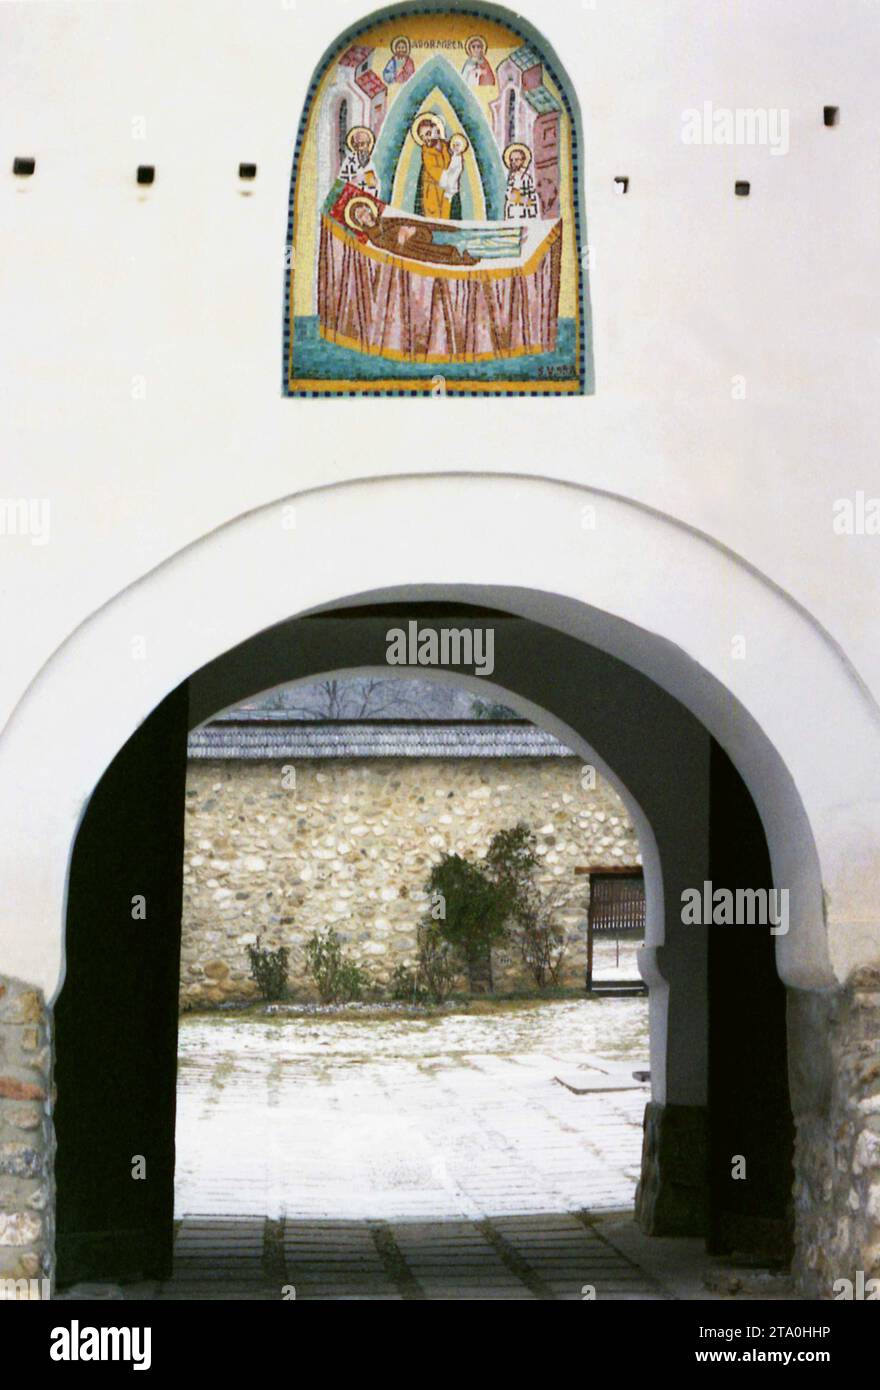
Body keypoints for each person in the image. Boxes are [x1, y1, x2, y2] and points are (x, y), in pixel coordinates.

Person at [345, 198, 480, 267]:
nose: (365, 214)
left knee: (461, 237)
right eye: (360, 215)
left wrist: (409, 228)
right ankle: (474, 255)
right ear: (360, 222)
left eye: (364, 210)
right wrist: (403, 235)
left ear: (369, 209)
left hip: (427, 231)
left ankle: (481, 240)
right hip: (422, 246)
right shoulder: (374, 237)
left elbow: (405, 220)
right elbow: (397, 248)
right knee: (454, 248)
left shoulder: (384, 220)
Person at [413, 115, 452, 220]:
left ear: (436, 131)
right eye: (422, 137)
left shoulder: (446, 147)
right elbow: (433, 169)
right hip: (432, 190)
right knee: (433, 217)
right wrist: (448, 178)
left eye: (428, 134)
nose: (426, 138)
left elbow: (450, 163)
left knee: (446, 216)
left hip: (446, 190)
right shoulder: (426, 151)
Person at [338, 127, 380, 198]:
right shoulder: (349, 162)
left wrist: (375, 183)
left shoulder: (372, 163)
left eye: (363, 144)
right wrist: (355, 180)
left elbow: (377, 185)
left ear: (368, 144)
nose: (360, 148)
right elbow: (341, 183)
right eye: (357, 145)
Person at [503, 143, 539, 219]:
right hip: (512, 214)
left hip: (523, 214)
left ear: (523, 160)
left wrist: (516, 198)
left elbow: (530, 199)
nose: (513, 162)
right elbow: (509, 195)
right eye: (511, 160)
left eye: (516, 160)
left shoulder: (525, 177)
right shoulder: (512, 177)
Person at [440, 132, 469, 222]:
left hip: (452, 184)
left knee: (452, 201)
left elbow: (456, 171)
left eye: (458, 145)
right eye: (454, 145)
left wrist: (449, 181)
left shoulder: (458, 159)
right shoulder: (452, 156)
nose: (456, 147)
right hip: (447, 181)